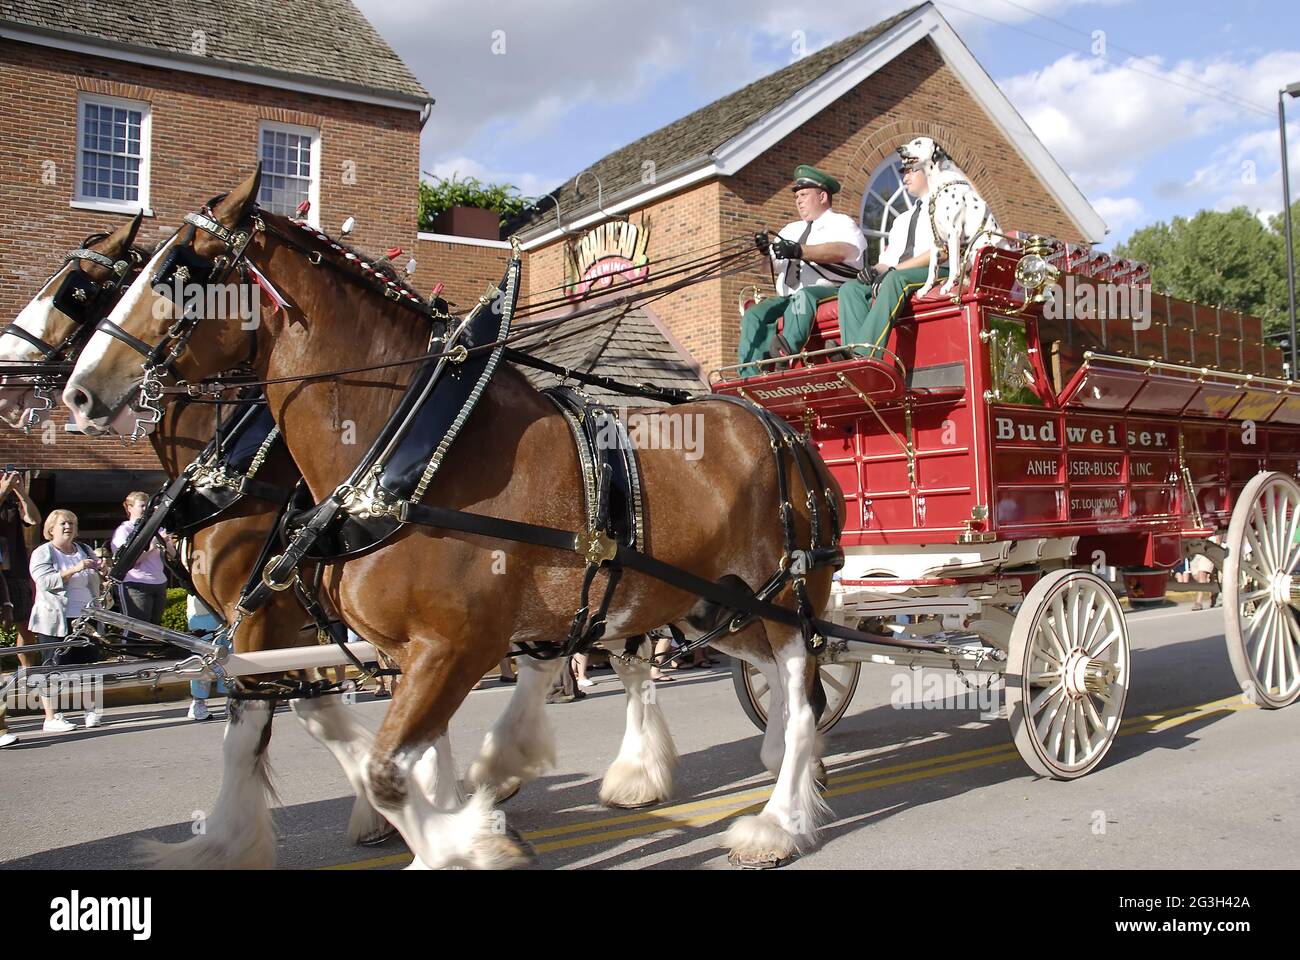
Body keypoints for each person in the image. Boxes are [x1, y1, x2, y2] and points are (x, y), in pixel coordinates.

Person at [737, 164, 866, 375]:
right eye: (796, 195)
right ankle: (748, 375)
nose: (798, 200)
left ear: (822, 196)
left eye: (804, 194)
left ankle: (784, 353)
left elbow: (844, 251)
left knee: (803, 296)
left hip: (829, 292)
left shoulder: (841, 223)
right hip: (789, 298)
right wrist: (763, 253)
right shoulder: (790, 230)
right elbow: (768, 267)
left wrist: (799, 250)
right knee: (754, 314)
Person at [836, 150, 939, 357]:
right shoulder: (901, 220)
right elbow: (888, 260)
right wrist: (873, 271)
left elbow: (941, 252)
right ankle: (854, 357)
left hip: (936, 270)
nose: (905, 177)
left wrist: (893, 270)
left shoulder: (944, 206)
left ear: (928, 170)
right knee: (850, 289)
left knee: (894, 279)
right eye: (903, 172)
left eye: (910, 171)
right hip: (900, 273)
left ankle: (866, 354)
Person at [28, 509, 104, 732]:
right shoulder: (44, 552)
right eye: (63, 523)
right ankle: (52, 717)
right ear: (51, 528)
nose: (68, 526)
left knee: (88, 666)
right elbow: (44, 581)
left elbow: (95, 579)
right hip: (55, 620)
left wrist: (100, 570)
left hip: (86, 617)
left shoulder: (84, 549)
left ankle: (91, 711)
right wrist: (75, 569)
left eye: (71, 523)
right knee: (53, 668)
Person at [110, 491, 171, 625]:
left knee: (155, 630)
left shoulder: (157, 529)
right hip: (135, 584)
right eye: (142, 506)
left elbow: (171, 555)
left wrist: (167, 541)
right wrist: (153, 546)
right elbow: (129, 560)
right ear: (130, 508)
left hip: (158, 582)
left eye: (148, 506)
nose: (146, 510)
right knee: (136, 630)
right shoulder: (124, 530)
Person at [186, 593, 227, 721]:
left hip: (227, 609)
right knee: (202, 658)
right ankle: (198, 702)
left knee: (229, 655)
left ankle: (231, 697)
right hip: (203, 611)